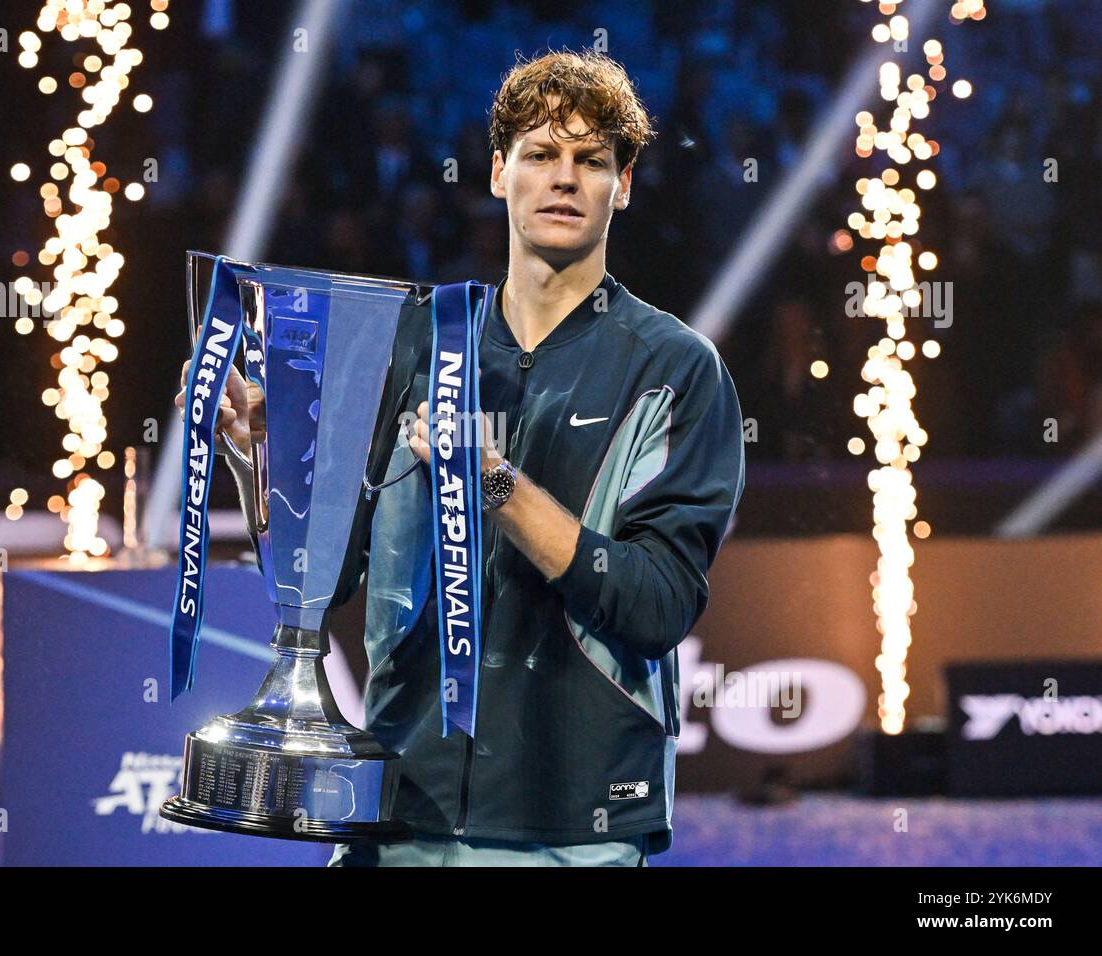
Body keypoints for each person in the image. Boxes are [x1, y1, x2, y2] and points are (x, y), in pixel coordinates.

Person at [175, 50, 745, 866]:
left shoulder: (676, 369)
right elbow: (327, 578)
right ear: (496, 172)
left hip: (572, 828)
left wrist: (495, 486)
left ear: (623, 185)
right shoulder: (412, 340)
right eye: (541, 155)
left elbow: (657, 606)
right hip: (399, 813)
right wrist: (268, 454)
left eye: (592, 161)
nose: (564, 179)